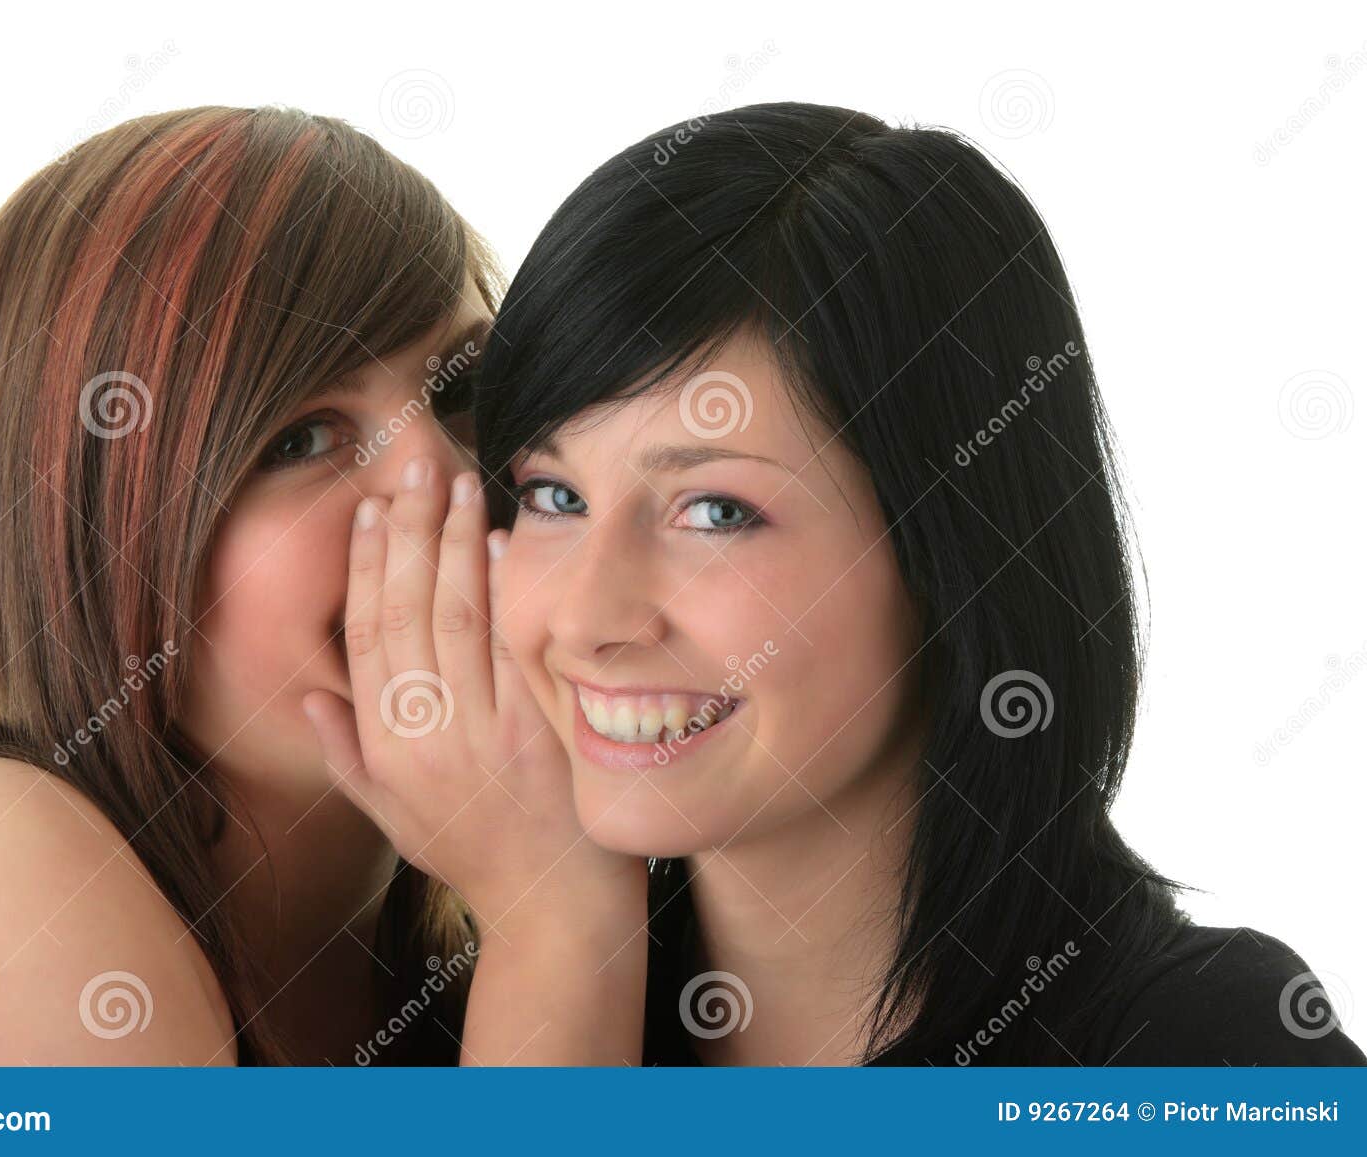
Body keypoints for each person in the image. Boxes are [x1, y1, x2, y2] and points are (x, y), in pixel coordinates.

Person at [459, 101, 1364, 1066]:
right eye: (554, 494)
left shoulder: (1207, 1061)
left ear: (953, 550)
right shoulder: (493, 1021)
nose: (589, 617)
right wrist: (556, 930)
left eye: (717, 511)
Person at [0, 105, 634, 1066]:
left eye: (461, 391)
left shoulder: (463, 978)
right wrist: (559, 909)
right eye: (300, 439)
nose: (449, 480)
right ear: (87, 538)